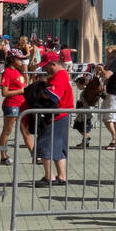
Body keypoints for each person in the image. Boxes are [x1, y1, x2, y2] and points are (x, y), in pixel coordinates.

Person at [30, 51, 74, 186]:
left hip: (57, 115)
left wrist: (37, 90)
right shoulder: (59, 75)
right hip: (61, 114)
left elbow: (52, 96)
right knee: (58, 147)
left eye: (46, 65)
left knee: (45, 145)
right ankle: (62, 177)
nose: (44, 68)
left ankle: (50, 177)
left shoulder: (60, 75)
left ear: (53, 64)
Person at [0, 53, 27, 165]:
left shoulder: (18, 71)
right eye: (19, 59)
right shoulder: (8, 72)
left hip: (21, 104)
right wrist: (21, 91)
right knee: (7, 131)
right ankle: (3, 157)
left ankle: (35, 155)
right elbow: (4, 92)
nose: (21, 61)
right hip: (11, 105)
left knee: (25, 131)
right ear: (12, 60)